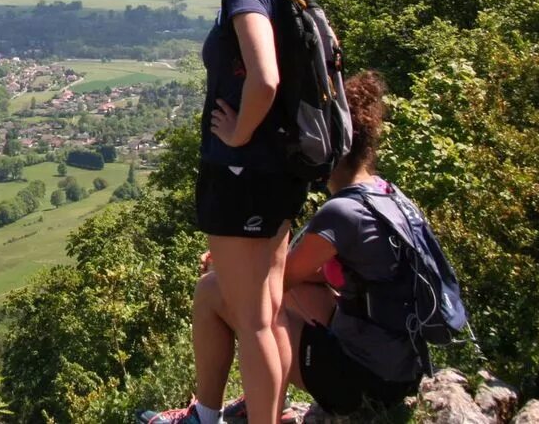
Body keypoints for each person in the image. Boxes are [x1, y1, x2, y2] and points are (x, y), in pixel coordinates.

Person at [140, 0, 309, 424]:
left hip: (243, 176)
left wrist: (237, 133)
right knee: (265, 310)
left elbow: (266, 77)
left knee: (254, 320)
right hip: (278, 174)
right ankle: (256, 413)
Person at [177, 72, 424, 421]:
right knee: (282, 291)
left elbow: (270, 290)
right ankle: (263, 397)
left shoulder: (341, 214)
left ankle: (209, 415)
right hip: (398, 369)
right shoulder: (386, 195)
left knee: (217, 292)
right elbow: (311, 276)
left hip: (363, 382)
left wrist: (225, 269)